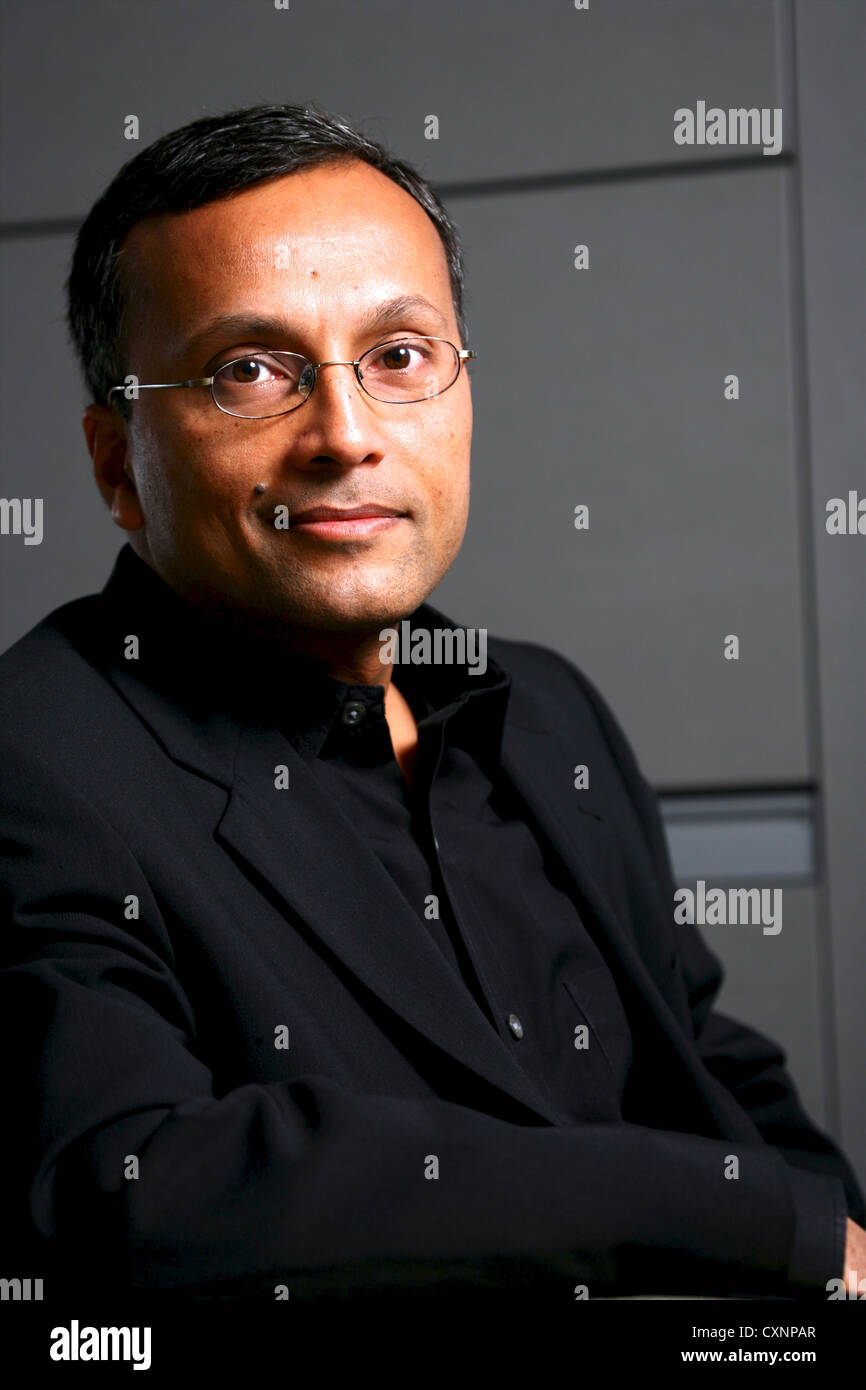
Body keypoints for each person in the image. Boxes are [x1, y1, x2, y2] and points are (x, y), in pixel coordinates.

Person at [1, 103, 863, 1304]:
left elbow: (712, 1071)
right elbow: (134, 1182)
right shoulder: (36, 756)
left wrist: (826, 1234)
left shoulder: (548, 709)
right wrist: (741, 1222)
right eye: (252, 369)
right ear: (116, 465)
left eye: (398, 355)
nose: (345, 435)